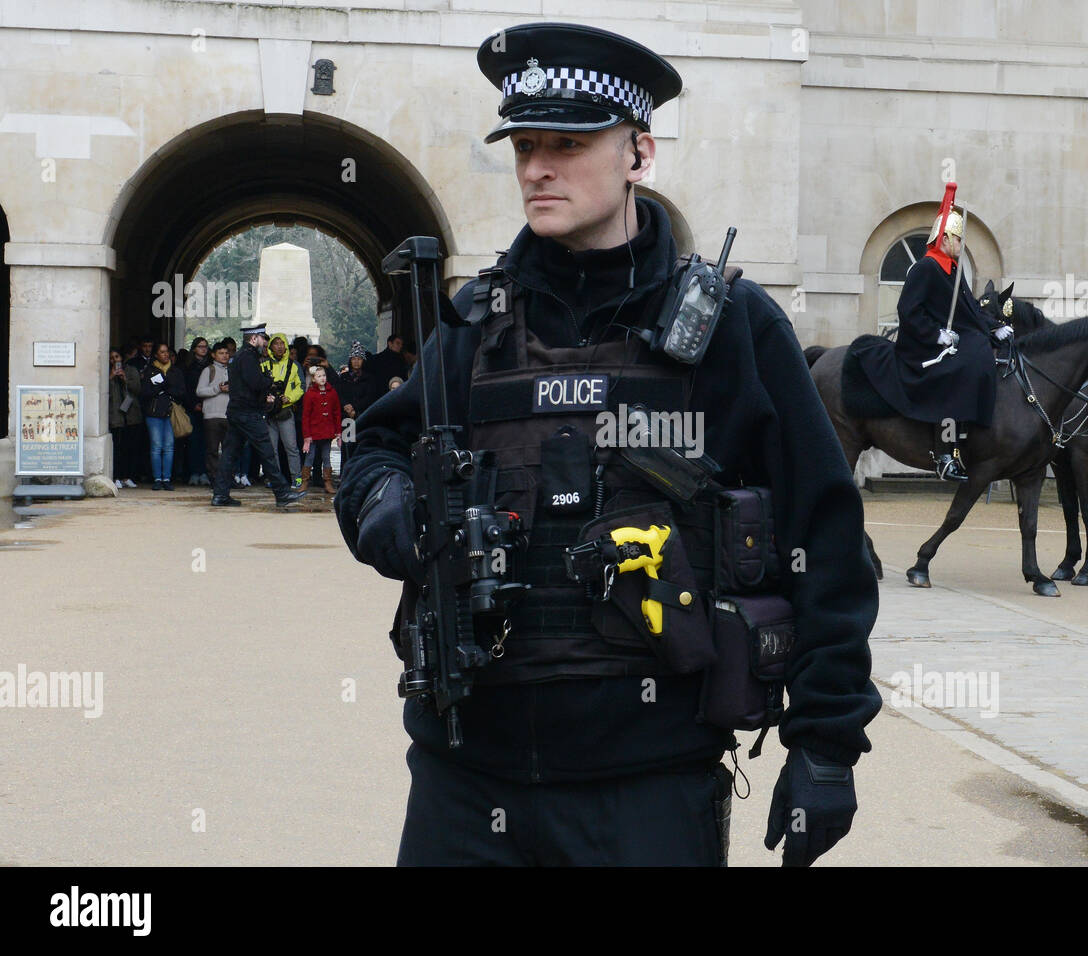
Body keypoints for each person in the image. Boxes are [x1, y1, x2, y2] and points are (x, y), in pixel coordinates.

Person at [334, 22, 880, 867]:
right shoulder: (473, 328)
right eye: (523, 144)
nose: (536, 167)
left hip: (649, 782)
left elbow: (827, 534)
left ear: (638, 154)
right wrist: (389, 504)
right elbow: (373, 451)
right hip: (466, 775)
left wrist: (826, 745)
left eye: (567, 143)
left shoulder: (733, 326)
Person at [857, 186, 1006, 481]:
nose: (961, 244)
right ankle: (945, 454)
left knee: (979, 350)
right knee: (963, 367)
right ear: (945, 237)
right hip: (922, 346)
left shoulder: (953, 270)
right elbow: (908, 311)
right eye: (959, 238)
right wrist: (936, 335)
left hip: (949, 340)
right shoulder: (925, 268)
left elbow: (971, 312)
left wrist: (995, 327)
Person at [210, 323, 306, 508]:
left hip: (238, 411)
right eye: (263, 338)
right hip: (248, 413)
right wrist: (269, 382)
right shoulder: (248, 357)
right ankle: (282, 493)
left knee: (229, 454)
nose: (265, 342)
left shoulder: (241, 356)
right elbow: (254, 382)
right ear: (254, 339)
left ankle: (220, 494)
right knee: (267, 452)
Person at [137, 342, 186, 490]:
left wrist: (167, 388)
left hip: (171, 412)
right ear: (156, 355)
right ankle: (158, 478)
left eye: (167, 352)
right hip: (154, 412)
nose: (165, 355)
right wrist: (159, 388)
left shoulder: (176, 371)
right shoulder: (149, 371)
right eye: (162, 352)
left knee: (169, 447)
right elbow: (144, 393)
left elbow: (182, 392)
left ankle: (167, 478)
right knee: (156, 446)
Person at [264, 333, 306, 489]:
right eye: (276, 343)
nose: (280, 346)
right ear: (271, 347)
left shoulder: (294, 365)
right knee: (271, 449)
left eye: (283, 343)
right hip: (269, 412)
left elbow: (301, 387)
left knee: (291, 448)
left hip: (286, 412)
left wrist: (290, 397)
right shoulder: (264, 365)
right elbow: (257, 385)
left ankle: (297, 479)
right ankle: (275, 479)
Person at [337, 341, 378, 478]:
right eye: (353, 359)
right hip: (347, 417)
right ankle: (345, 475)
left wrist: (355, 407)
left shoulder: (370, 379)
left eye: (359, 359)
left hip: (362, 415)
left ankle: (359, 474)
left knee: (360, 445)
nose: (356, 362)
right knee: (346, 447)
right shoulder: (344, 377)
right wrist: (346, 406)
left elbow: (370, 397)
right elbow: (340, 394)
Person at [301, 365, 342, 494]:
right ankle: (305, 481)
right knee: (310, 457)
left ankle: (328, 482)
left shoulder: (332, 392)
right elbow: (306, 415)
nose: (322, 378)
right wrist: (306, 435)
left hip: (327, 431)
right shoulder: (310, 394)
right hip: (313, 432)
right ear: (313, 379)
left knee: (326, 457)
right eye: (319, 376)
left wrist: (338, 431)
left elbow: (337, 413)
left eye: (324, 375)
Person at [196, 340, 232, 486]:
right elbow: (199, 391)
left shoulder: (233, 370)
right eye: (221, 353)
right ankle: (215, 479)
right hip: (212, 416)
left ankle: (229, 478)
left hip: (229, 415)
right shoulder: (208, 370)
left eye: (226, 353)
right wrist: (217, 389)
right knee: (212, 450)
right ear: (213, 355)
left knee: (229, 450)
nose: (224, 356)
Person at [107, 348, 143, 489]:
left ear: (122, 357)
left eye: (117, 357)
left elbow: (138, 389)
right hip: (116, 416)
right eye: (111, 358)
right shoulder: (106, 373)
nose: (115, 360)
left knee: (130, 448)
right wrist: (111, 377)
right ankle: (116, 476)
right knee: (117, 448)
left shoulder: (131, 370)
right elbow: (104, 392)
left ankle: (127, 476)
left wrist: (125, 379)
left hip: (131, 415)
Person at [182, 337, 211, 485]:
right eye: (200, 346)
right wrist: (193, 404)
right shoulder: (188, 367)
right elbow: (185, 390)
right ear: (194, 349)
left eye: (205, 346)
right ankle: (194, 472)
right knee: (194, 442)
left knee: (207, 442)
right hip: (193, 409)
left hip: (208, 408)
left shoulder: (211, 366)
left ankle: (204, 472)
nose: (203, 349)